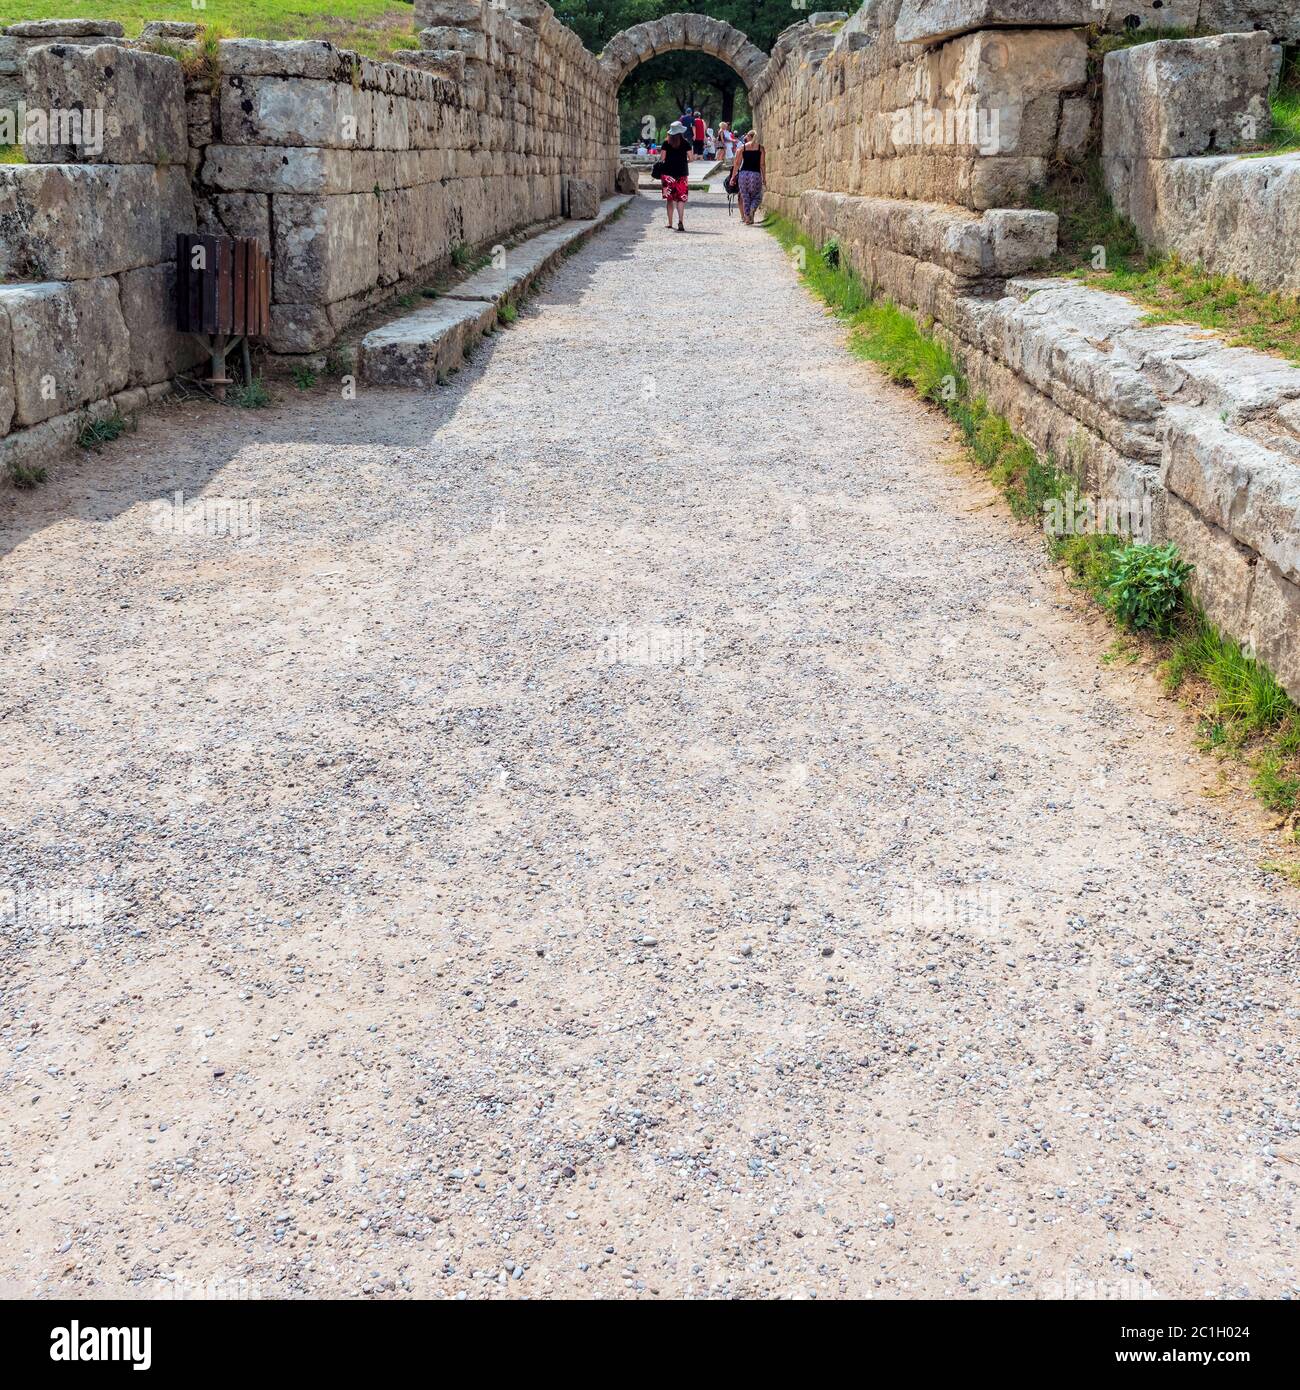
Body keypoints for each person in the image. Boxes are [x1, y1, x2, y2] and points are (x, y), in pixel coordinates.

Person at [658, 122, 691, 232]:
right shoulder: (686, 143)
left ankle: (670, 222)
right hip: (682, 173)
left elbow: (662, 158)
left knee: (670, 199)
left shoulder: (666, 143)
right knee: (681, 199)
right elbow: (691, 158)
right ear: (681, 131)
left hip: (668, 174)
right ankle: (680, 221)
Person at [734, 128, 766, 225]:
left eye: (747, 135)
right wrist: (764, 177)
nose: (746, 137)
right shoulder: (761, 148)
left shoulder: (742, 148)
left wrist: (733, 176)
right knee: (757, 196)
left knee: (745, 196)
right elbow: (762, 164)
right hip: (755, 174)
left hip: (744, 174)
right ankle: (752, 208)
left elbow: (737, 163)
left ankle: (747, 218)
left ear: (749, 136)